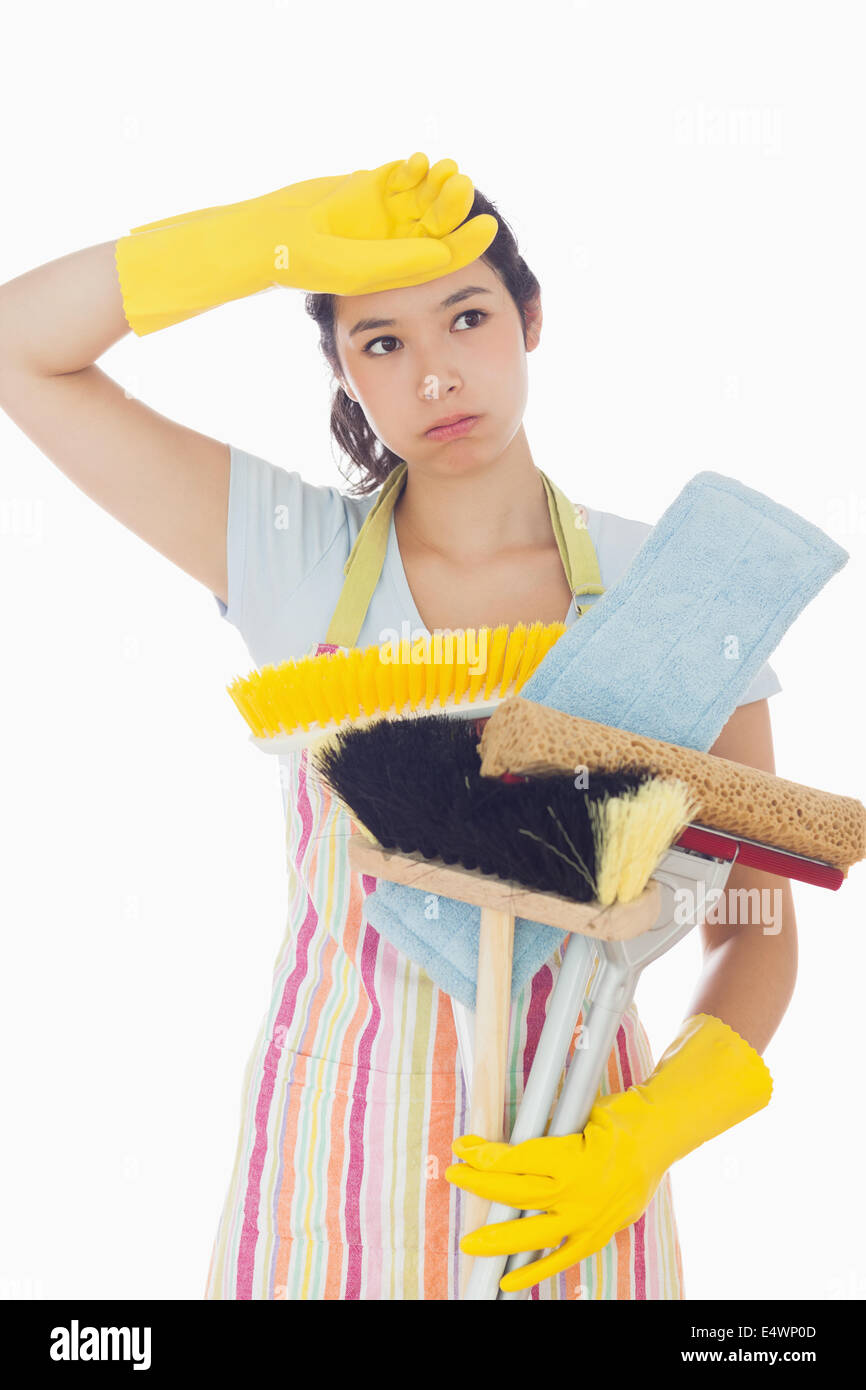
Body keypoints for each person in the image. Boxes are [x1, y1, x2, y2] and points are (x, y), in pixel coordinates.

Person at [0, 152, 796, 1300]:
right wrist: (268, 238)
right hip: (330, 1161)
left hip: (567, 1169)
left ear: (528, 318)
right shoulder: (286, 556)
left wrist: (655, 1129)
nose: (432, 376)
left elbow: (755, 916)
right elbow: (23, 345)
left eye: (464, 317)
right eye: (381, 342)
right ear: (343, 371)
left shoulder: (667, 596)